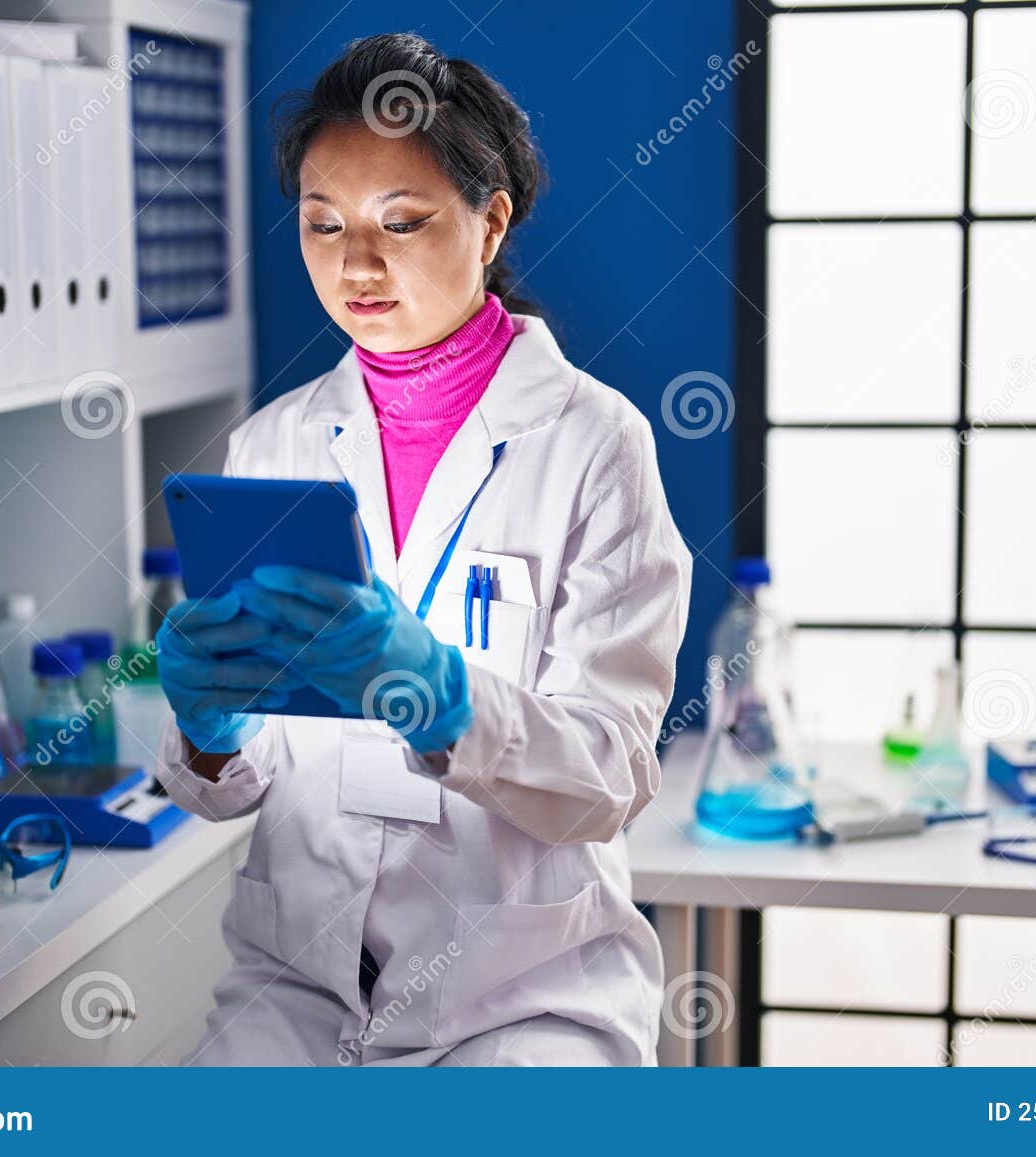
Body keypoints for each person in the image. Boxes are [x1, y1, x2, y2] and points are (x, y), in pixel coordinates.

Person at [153, 32, 691, 1067]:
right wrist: (208, 724)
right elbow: (239, 778)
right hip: (294, 991)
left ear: (490, 222)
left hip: (523, 997)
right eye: (323, 225)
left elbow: (611, 772)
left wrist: (444, 693)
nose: (356, 262)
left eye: (402, 222)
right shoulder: (272, 443)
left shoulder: (593, 441)